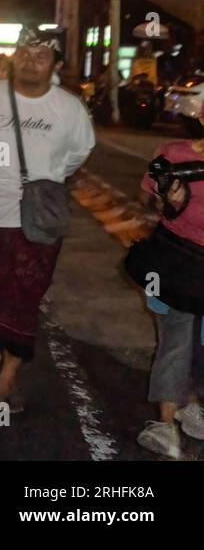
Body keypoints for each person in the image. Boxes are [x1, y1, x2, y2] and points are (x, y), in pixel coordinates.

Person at [0, 26, 95, 413]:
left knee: (23, 298)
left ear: (56, 64)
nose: (30, 61)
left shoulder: (68, 108)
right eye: (24, 53)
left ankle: (8, 378)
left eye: (41, 56)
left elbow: (79, 152)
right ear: (13, 56)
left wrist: (45, 179)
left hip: (35, 222)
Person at [134, 135, 204, 458]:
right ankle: (166, 423)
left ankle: (189, 405)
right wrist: (169, 200)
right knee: (176, 337)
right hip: (175, 260)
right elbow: (147, 197)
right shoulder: (174, 154)